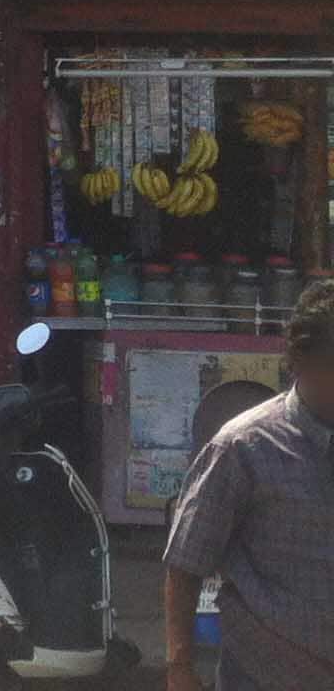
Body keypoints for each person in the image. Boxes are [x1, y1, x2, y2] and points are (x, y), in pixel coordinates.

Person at [162, 278, 334, 691]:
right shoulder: (243, 447)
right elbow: (186, 563)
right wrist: (180, 668)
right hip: (265, 676)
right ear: (299, 364)